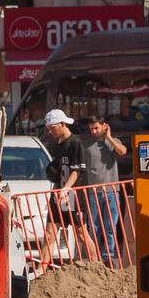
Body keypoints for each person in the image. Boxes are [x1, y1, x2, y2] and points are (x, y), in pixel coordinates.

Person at [41, 109, 98, 266]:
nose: (50, 131)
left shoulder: (75, 143)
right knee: (50, 234)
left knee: (81, 232)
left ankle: (95, 265)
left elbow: (77, 170)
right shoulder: (57, 143)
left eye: (52, 127)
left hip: (73, 195)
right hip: (59, 193)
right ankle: (42, 269)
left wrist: (66, 189)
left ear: (62, 124)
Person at [83, 114, 127, 266]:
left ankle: (109, 256)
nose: (94, 132)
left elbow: (122, 151)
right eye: (91, 129)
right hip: (93, 192)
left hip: (111, 191)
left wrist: (109, 137)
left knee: (110, 226)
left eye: (96, 128)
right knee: (93, 227)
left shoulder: (113, 142)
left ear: (104, 126)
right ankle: (94, 257)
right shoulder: (87, 147)